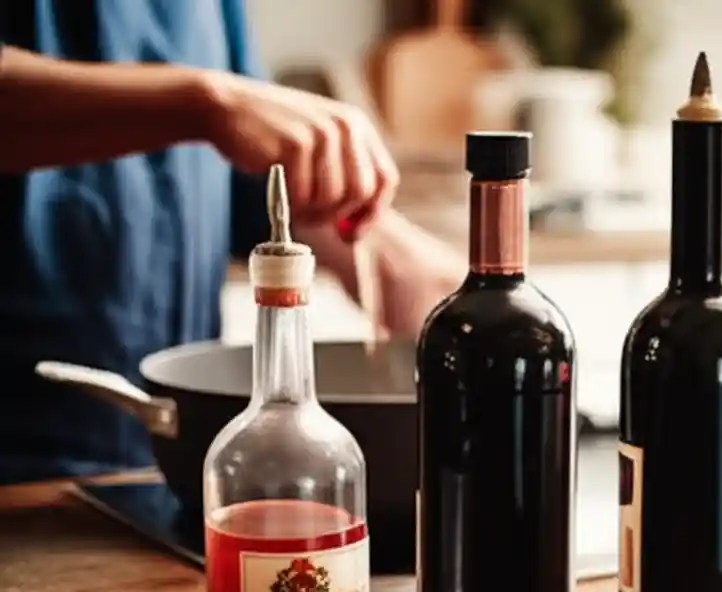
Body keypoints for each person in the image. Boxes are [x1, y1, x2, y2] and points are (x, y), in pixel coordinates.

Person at [0, 1, 466, 482]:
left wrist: (382, 246)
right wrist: (205, 104)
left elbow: (251, 172)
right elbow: (221, 111)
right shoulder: (210, 99)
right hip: (19, 460)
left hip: (166, 461)